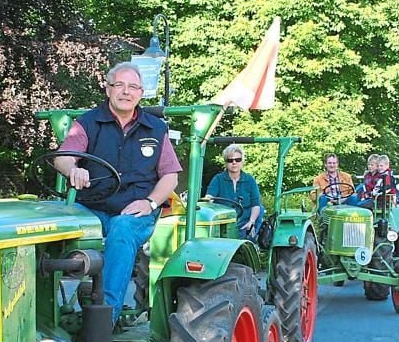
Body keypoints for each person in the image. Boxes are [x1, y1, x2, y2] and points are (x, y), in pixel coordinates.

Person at [53, 62, 181, 325]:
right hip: (91, 208)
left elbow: (170, 175)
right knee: (46, 224)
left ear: (141, 93)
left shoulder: (156, 129)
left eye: (133, 86)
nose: (126, 92)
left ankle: (103, 322)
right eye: (119, 85)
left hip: (136, 212)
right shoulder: (87, 123)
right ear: (108, 89)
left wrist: (150, 202)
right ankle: (44, 315)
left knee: (122, 228)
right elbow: (63, 158)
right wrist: (74, 170)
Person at [206, 144, 263, 241]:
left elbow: (256, 204)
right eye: (230, 160)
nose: (234, 163)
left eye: (237, 160)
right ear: (226, 162)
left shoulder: (250, 180)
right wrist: (206, 202)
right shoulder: (218, 179)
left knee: (260, 211)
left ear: (242, 161)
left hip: (245, 222)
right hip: (223, 223)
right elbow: (209, 198)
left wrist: (251, 221)